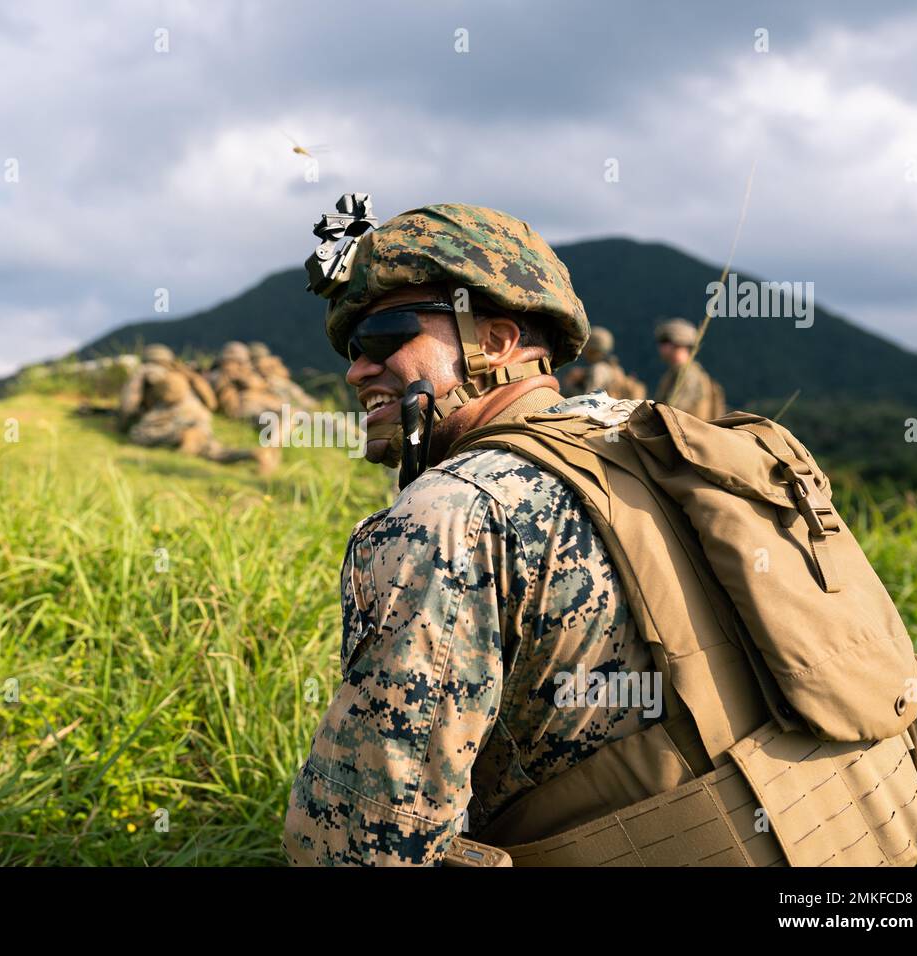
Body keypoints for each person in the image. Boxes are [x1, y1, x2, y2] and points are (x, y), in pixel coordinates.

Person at [282, 202, 657, 865]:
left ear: (499, 343)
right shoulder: (675, 455)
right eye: (350, 349)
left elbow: (369, 844)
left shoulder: (450, 515)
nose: (355, 371)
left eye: (383, 337)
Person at [118, 344, 277, 473]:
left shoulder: (146, 370)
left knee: (138, 435)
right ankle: (253, 453)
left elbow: (128, 404)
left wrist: (122, 425)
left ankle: (183, 436)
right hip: (199, 414)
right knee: (212, 451)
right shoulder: (182, 370)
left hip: (171, 415)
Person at [652, 318, 724, 418]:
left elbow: (672, 412)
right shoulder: (676, 373)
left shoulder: (688, 375)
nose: (660, 346)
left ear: (677, 343)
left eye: (664, 341)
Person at [560, 326, 645, 399]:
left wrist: (570, 387)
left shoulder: (598, 369)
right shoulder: (617, 369)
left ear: (591, 349)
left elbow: (589, 401)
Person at [248, 341, 317, 412]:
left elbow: (285, 374)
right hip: (273, 393)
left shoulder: (272, 366)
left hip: (277, 388)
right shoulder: (272, 364)